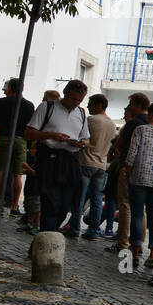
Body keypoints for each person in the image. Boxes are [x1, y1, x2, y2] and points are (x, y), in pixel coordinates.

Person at [24, 80, 91, 234]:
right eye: (73, 99)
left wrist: (82, 143)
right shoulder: (48, 107)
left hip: (71, 160)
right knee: (50, 203)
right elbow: (29, 133)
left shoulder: (80, 113)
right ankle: (46, 239)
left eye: (79, 101)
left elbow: (86, 138)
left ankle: (46, 239)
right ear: (65, 93)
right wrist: (51, 135)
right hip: (50, 158)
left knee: (65, 205)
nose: (76, 103)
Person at [121, 102, 153, 267]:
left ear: (151, 114)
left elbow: (132, 154)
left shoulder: (140, 130)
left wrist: (127, 172)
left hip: (139, 177)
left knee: (137, 214)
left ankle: (135, 251)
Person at [107, 92, 150, 253]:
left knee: (125, 205)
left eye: (131, 104)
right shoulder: (152, 123)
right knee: (141, 208)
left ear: (138, 105)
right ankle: (138, 243)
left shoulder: (134, 123)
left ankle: (122, 243)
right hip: (145, 171)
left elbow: (119, 142)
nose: (129, 107)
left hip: (129, 166)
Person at [74, 94, 114, 241]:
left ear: (98, 105)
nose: (89, 107)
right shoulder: (111, 123)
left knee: (80, 197)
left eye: (91, 104)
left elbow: (81, 137)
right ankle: (93, 230)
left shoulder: (91, 120)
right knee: (97, 198)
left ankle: (74, 227)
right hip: (101, 164)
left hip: (86, 161)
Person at [0, 78, 35, 217]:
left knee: (0, 172)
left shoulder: (1, 102)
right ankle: (15, 205)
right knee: (17, 174)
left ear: (10, 88)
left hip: (3, 138)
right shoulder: (29, 105)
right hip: (21, 140)